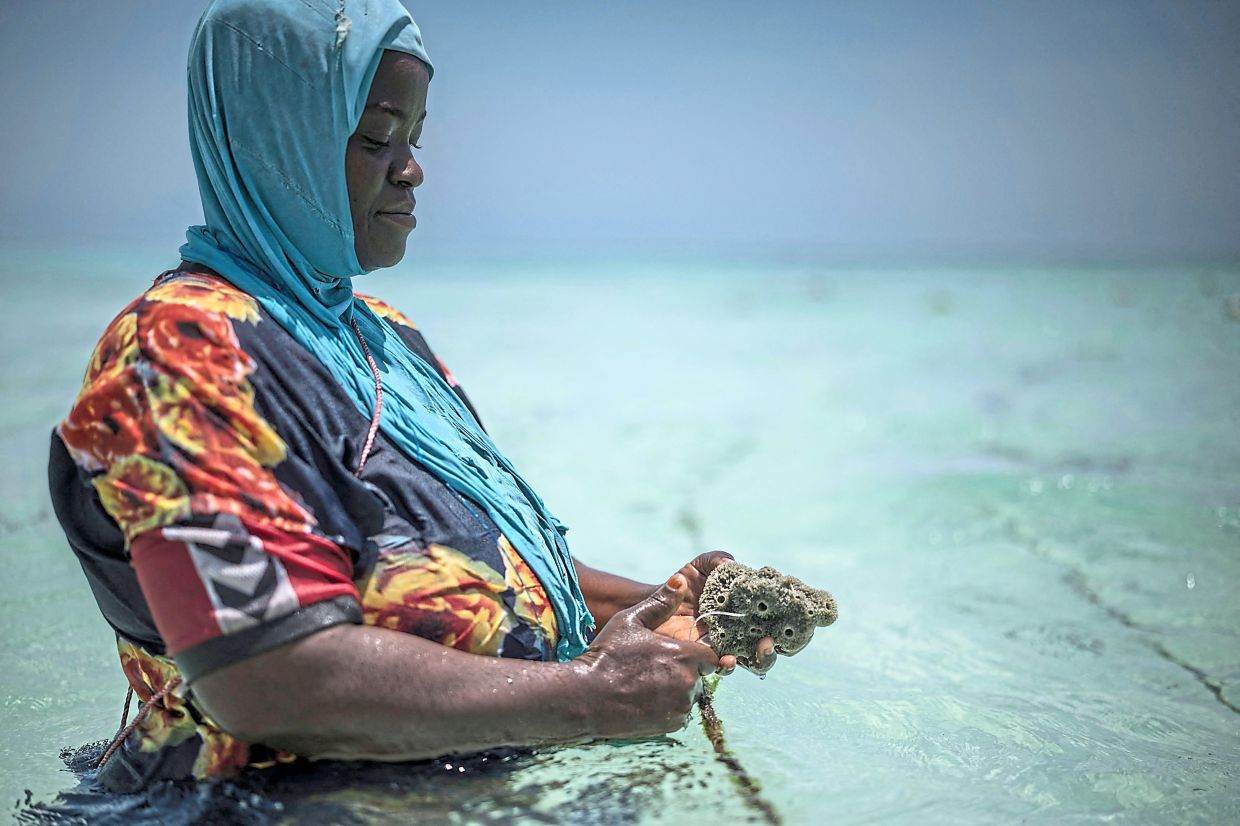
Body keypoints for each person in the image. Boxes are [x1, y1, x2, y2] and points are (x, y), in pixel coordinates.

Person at [48, 0, 779, 791]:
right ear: (273, 143)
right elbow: (268, 678)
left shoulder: (379, 337)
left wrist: (657, 609)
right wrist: (593, 697)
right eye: (374, 138)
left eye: (414, 137)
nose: (412, 168)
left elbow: (467, 563)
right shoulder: (183, 349)